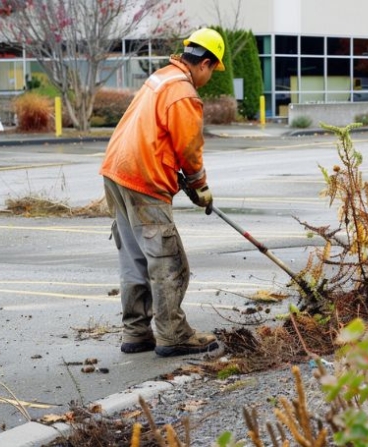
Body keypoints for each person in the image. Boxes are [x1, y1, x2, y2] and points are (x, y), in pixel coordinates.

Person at [99, 28, 225, 357]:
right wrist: (200, 187)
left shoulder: (161, 77)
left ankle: (136, 332)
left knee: (134, 259)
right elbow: (189, 147)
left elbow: (157, 133)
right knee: (168, 261)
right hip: (144, 178)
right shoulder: (183, 92)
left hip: (117, 172)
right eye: (213, 70)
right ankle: (173, 334)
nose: (210, 76)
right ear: (206, 64)